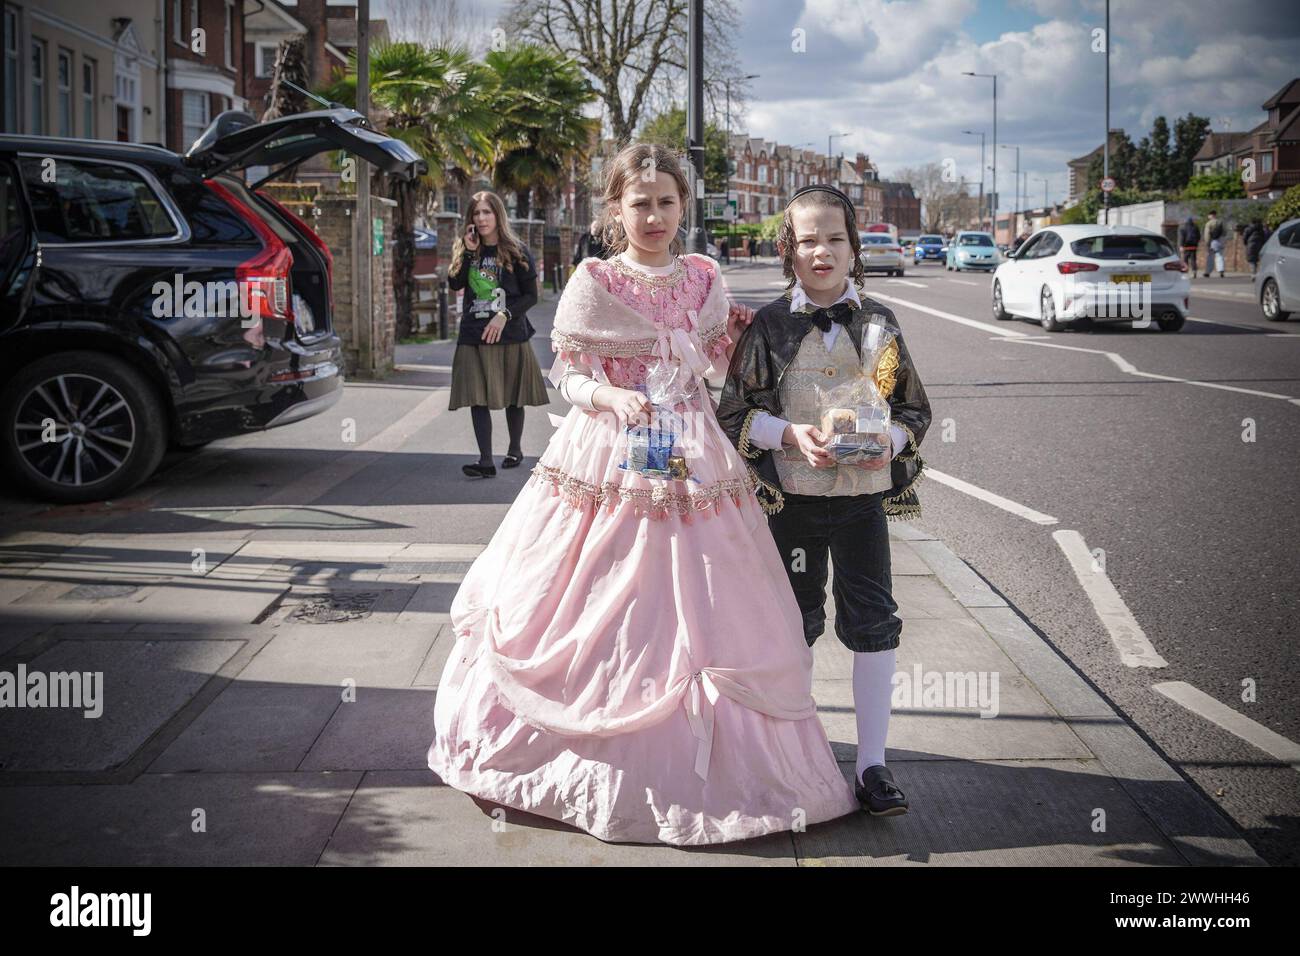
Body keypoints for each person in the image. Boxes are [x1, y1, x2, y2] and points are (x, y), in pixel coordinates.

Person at [427, 143, 860, 845]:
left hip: (696, 456)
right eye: (640, 203)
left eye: (665, 202)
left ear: (683, 206)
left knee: (710, 601)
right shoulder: (594, 280)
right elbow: (564, 374)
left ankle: (728, 764)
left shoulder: (703, 277)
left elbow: (726, 360)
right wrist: (607, 397)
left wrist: (786, 366)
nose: (653, 215)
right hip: (610, 452)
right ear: (615, 209)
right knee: (604, 597)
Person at [717, 184, 932, 815]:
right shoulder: (770, 326)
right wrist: (787, 434)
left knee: (873, 619)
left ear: (853, 246)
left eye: (834, 238)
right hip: (794, 505)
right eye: (808, 240)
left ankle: (873, 766)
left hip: (863, 502)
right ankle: (795, 756)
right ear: (789, 249)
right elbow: (734, 412)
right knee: (793, 624)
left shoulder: (878, 325)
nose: (822, 251)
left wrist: (885, 441)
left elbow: (912, 408)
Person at [447, 190, 550, 478]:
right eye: (476, 213)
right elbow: (455, 284)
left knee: (513, 395)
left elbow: (531, 295)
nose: (481, 218)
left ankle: (515, 449)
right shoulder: (467, 249)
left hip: (510, 333)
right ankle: (485, 461)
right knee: (476, 396)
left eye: (486, 212)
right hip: (473, 333)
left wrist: (504, 316)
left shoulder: (516, 250)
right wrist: (468, 252)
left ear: (497, 215)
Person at [1204, 209, 1225, 277]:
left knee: (1210, 257)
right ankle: (1221, 270)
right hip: (1220, 240)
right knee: (1219, 255)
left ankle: (1208, 272)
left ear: (1211, 215)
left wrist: (1207, 243)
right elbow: (1225, 232)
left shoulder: (1209, 223)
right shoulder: (1221, 222)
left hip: (1212, 241)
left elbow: (1207, 234)